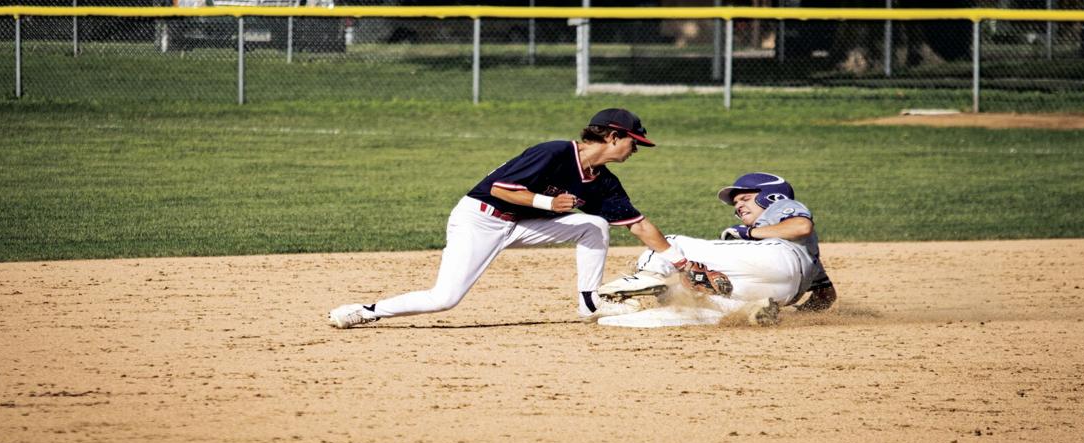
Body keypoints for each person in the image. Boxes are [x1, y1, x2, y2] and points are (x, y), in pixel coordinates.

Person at [329, 108, 668, 329]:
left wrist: (678, 261)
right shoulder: (553, 152)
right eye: (632, 142)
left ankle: (590, 302)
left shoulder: (602, 179)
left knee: (592, 226)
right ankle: (367, 310)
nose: (635, 149)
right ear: (612, 137)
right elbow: (500, 190)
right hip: (480, 220)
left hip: (520, 225)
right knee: (444, 298)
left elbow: (637, 224)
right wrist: (548, 203)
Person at [593, 171, 837, 328]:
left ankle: (645, 276)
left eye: (745, 198)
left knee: (671, 244)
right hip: (782, 291)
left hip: (779, 256)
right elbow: (826, 296)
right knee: (691, 299)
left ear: (770, 196)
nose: (738, 206)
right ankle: (748, 310)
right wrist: (799, 315)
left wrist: (748, 232)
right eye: (736, 204)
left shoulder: (781, 207)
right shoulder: (809, 254)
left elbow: (802, 226)